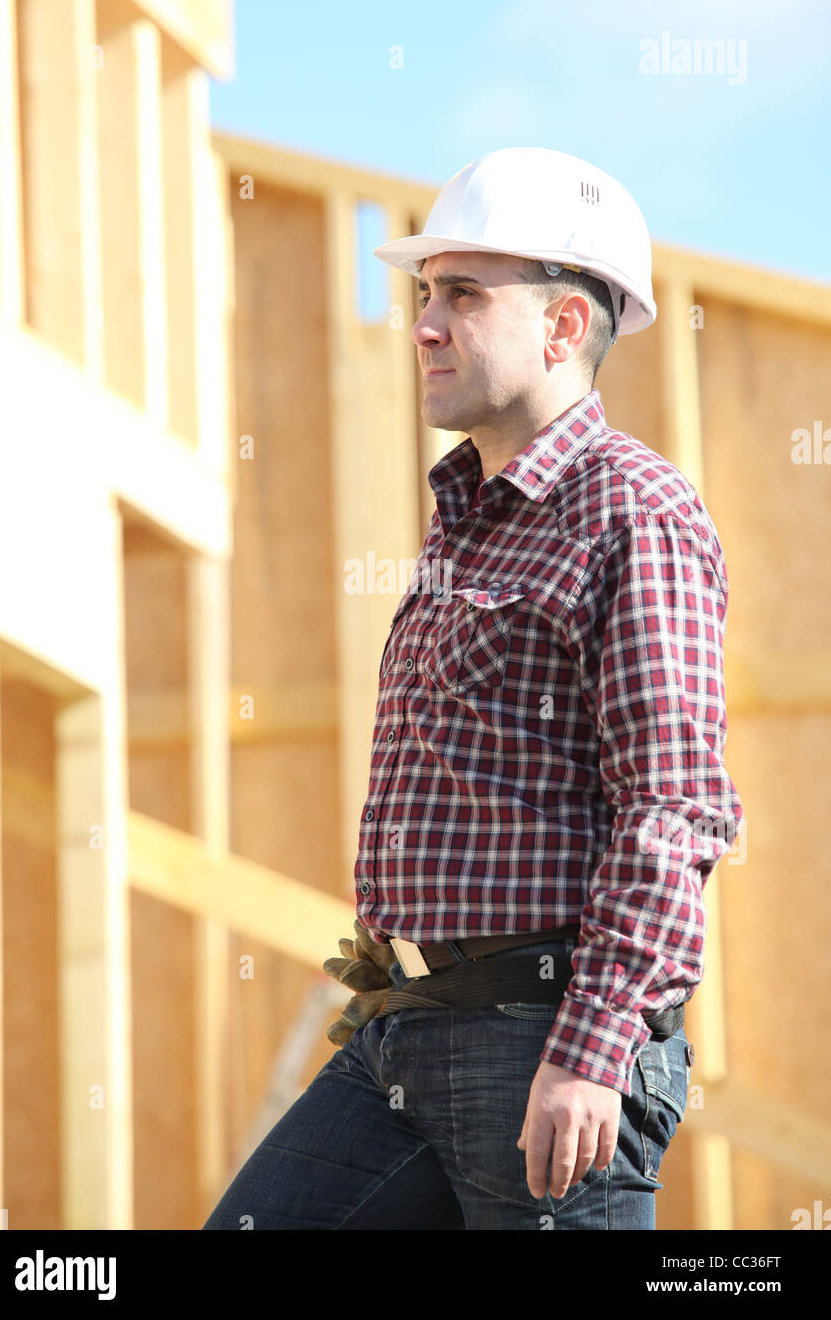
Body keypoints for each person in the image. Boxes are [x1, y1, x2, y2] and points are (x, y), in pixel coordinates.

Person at [202, 147, 743, 1231]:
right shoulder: (464, 519)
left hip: (542, 1046)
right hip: (398, 1038)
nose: (423, 324)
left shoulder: (632, 511)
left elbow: (671, 806)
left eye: (462, 295)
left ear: (560, 328)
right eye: (421, 294)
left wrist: (592, 1051)